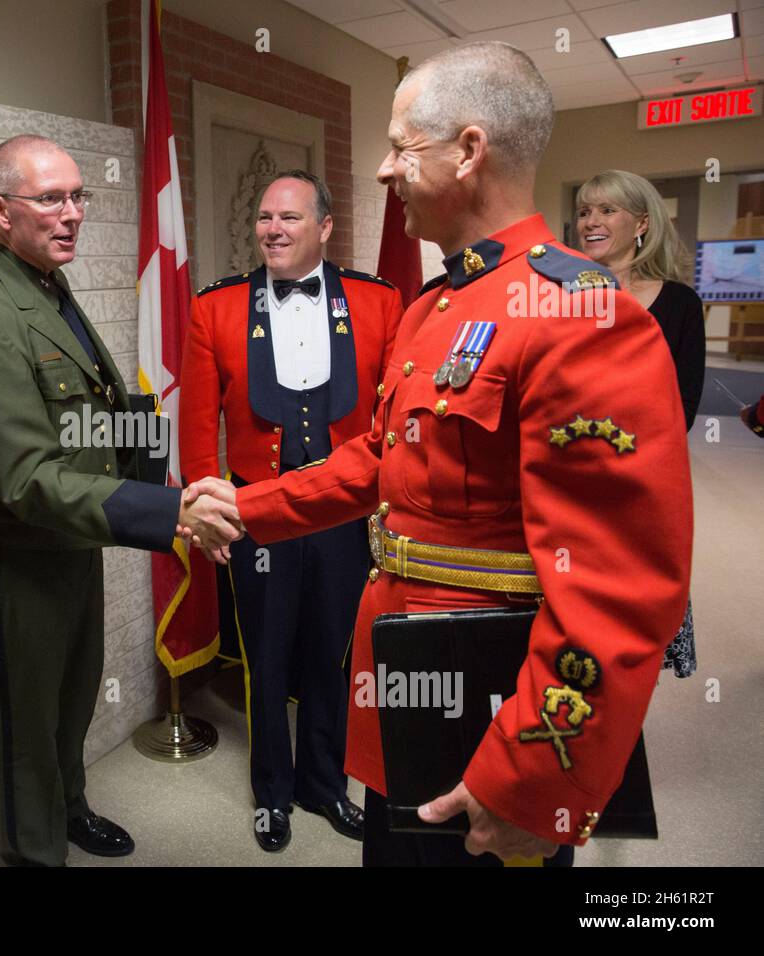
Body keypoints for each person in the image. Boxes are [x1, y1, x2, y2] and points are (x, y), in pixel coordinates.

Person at [181, 41, 692, 867]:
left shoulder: (579, 315)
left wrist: (535, 778)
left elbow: (622, 585)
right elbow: (382, 460)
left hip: (496, 705)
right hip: (401, 680)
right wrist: (247, 507)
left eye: (399, 147)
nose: (383, 171)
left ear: (469, 149)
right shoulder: (433, 307)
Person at [0, 134, 231, 867]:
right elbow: (26, 476)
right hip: (17, 554)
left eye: (78, 195)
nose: (73, 214)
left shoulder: (45, 290)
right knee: (26, 716)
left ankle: (70, 809)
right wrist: (168, 513)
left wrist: (168, 493)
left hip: (72, 539)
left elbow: (101, 412)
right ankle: (34, 851)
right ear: (0, 211)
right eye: (51, 199)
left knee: (71, 697)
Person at [180, 169, 401, 851]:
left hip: (343, 513)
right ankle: (272, 793)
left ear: (325, 227)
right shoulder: (215, 306)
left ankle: (325, 785)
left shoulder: (379, 301)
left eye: (291, 218)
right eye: (265, 218)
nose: (273, 229)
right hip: (256, 512)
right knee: (266, 658)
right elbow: (194, 420)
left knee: (335, 654)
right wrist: (203, 506)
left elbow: (393, 417)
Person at [577, 169, 705, 679]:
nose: (592, 221)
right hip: (569, 483)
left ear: (642, 224)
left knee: (630, 644)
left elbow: (684, 408)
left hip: (641, 489)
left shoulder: (679, 304)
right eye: (585, 211)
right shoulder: (559, 298)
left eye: (608, 210)